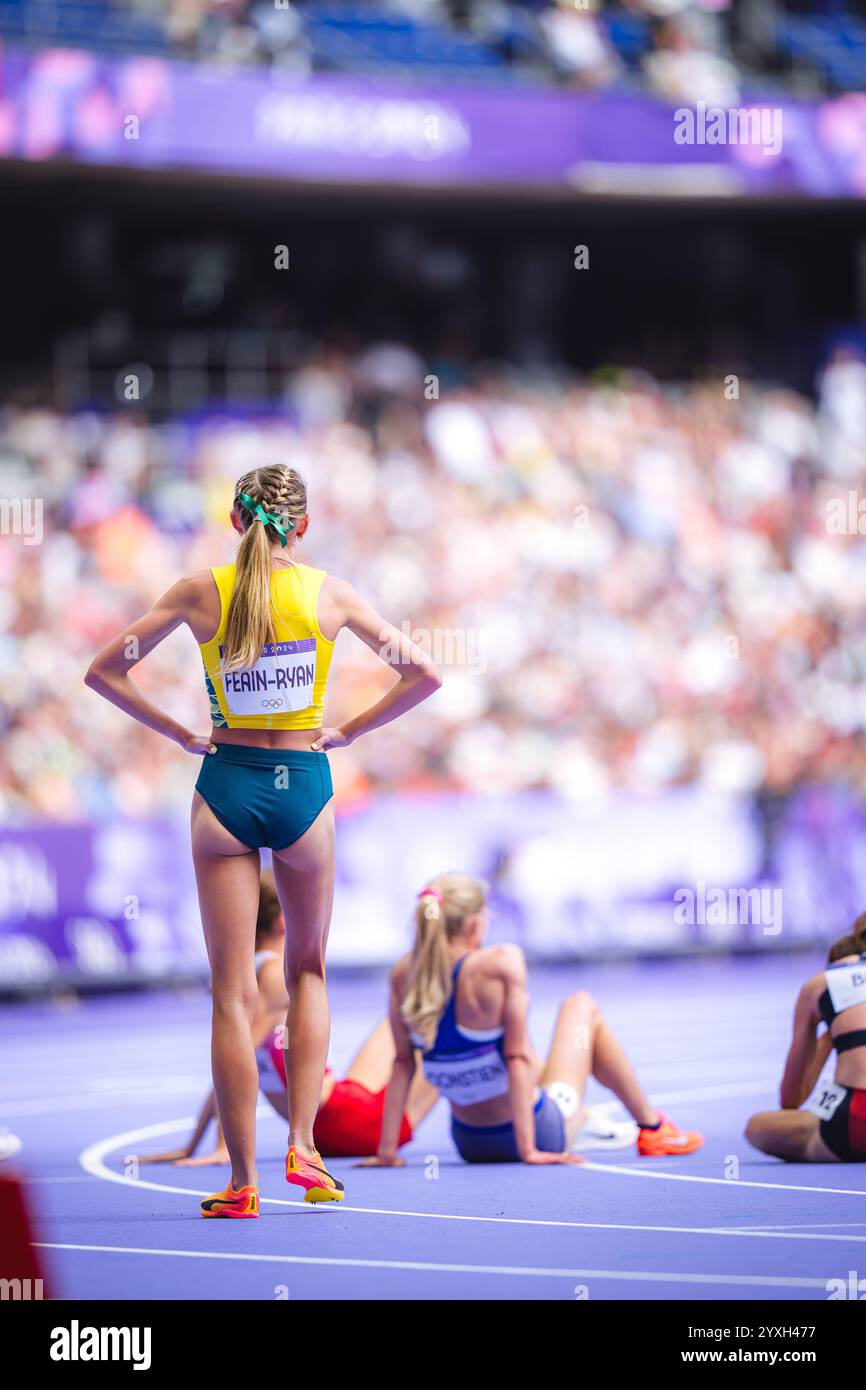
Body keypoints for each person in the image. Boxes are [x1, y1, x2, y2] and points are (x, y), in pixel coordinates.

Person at [85, 465, 441, 1216]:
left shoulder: (197, 590)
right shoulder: (330, 593)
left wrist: (182, 731)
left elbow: (102, 672)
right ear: (300, 525)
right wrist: (348, 730)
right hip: (303, 785)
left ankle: (242, 1182)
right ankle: (304, 1150)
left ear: (234, 519)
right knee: (307, 970)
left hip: (225, 785)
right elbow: (425, 675)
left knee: (230, 994)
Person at [363, 874, 703, 1167]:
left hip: (469, 1143)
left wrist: (386, 1151)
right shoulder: (500, 962)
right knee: (581, 1007)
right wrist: (529, 1149)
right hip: (536, 1131)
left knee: (504, 1054)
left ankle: (585, 1118)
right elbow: (517, 1058)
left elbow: (403, 1064)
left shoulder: (404, 974)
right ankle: (652, 1127)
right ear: (474, 925)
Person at [135, 873, 438, 1168]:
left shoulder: (245, 974)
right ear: (284, 922)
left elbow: (229, 1068)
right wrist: (223, 1147)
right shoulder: (276, 975)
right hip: (352, 1125)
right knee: (431, 1022)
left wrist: (193, 1145)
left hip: (324, 1131)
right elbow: (240, 1063)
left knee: (396, 1022)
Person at [745, 915, 866, 1163]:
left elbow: (790, 1101)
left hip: (856, 1121)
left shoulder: (819, 985)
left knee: (757, 1127)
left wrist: (827, 1040)